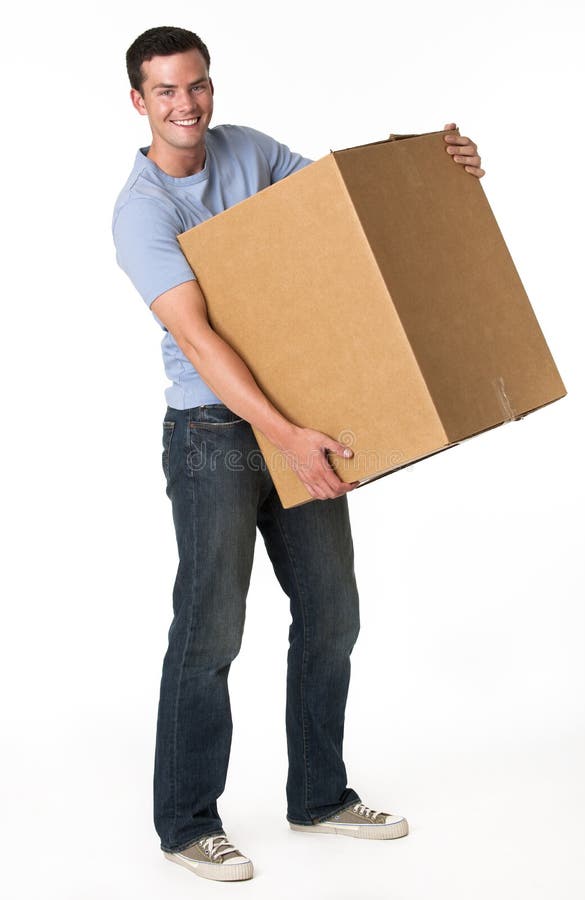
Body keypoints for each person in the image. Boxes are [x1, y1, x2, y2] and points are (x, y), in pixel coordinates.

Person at [112, 25, 486, 883]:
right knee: (210, 631)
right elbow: (201, 343)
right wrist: (288, 437)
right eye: (166, 91)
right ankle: (185, 823)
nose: (186, 104)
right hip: (214, 434)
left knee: (333, 611)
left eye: (197, 85)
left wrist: (441, 167)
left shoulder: (246, 150)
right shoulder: (141, 212)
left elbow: (344, 209)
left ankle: (319, 795)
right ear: (139, 101)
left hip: (295, 418)